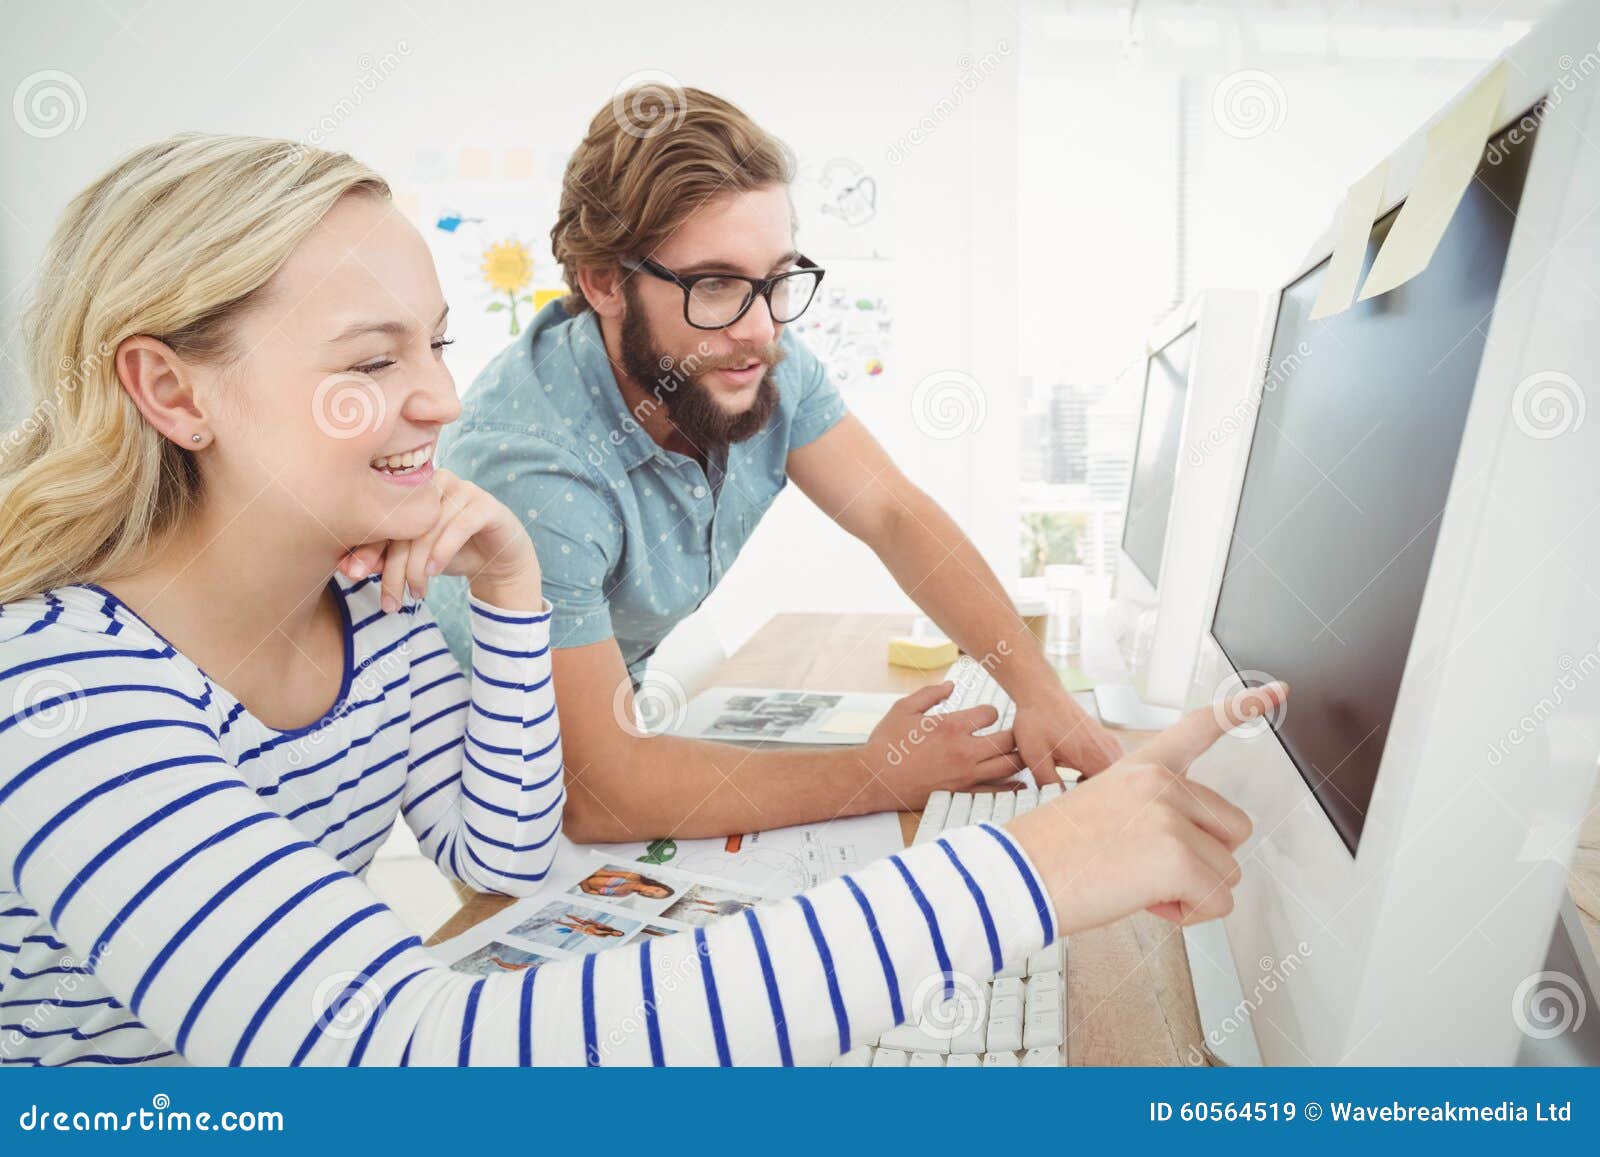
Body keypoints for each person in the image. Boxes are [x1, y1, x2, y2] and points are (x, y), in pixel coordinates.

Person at [0, 132, 1279, 1067]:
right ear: (173, 394)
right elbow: (392, 1058)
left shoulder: (367, 613)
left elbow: (504, 853)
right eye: (374, 360)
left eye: (435, 343)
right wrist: (1028, 871)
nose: (444, 401)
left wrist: (506, 590)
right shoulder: (60, 694)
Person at [425, 87, 1125, 843]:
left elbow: (893, 513)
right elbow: (601, 795)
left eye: (775, 279)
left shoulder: (744, 352)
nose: (761, 329)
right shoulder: (534, 468)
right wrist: (877, 774)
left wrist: (1040, 691)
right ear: (602, 281)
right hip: (495, 800)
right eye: (716, 284)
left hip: (617, 722)